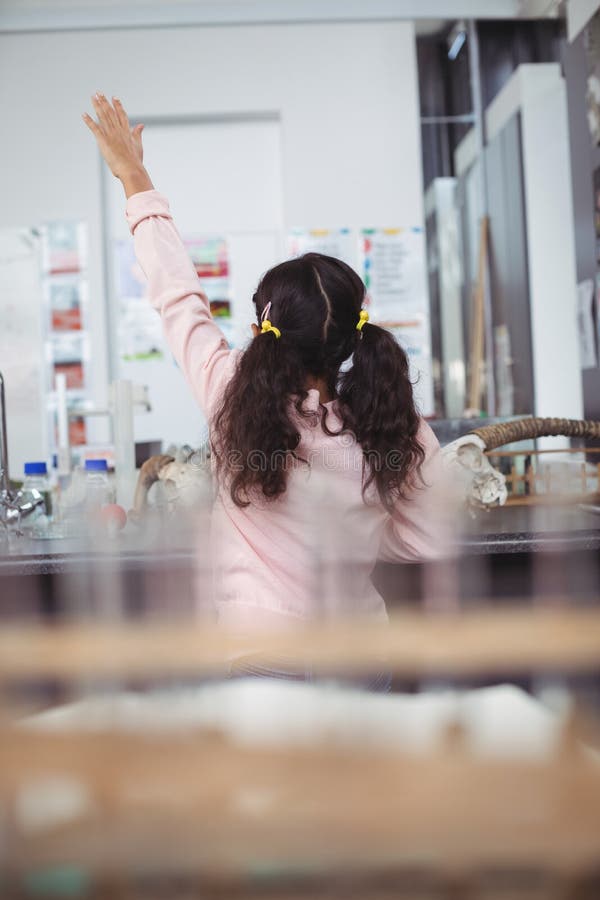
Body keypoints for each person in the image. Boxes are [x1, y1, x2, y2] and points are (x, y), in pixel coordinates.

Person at [83, 94, 450, 686]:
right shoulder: (387, 420)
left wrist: (135, 178)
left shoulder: (228, 393)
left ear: (263, 331)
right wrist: (363, 534)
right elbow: (433, 534)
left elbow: (178, 297)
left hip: (257, 654)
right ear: (356, 333)